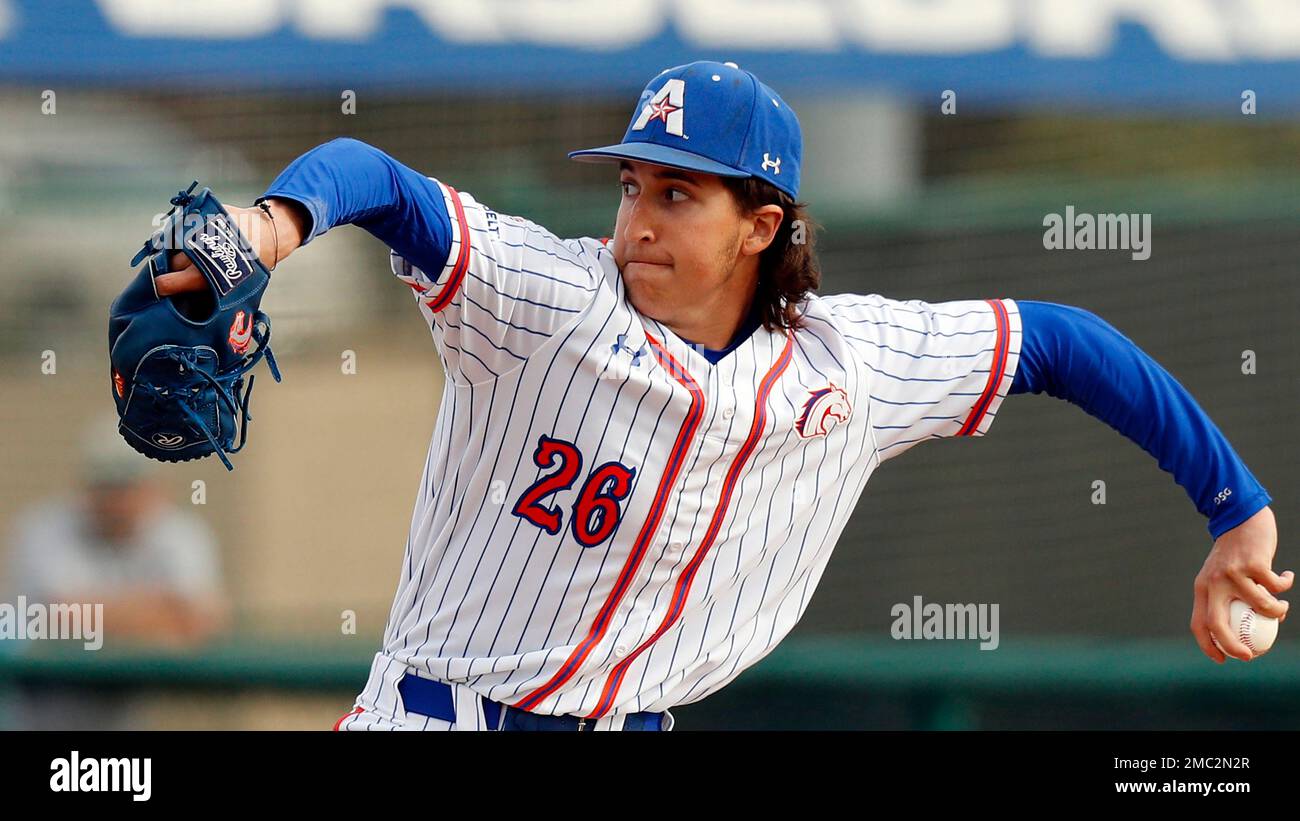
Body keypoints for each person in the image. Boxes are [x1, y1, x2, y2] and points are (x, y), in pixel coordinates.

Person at [153, 60, 1288, 732]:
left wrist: (1233, 504)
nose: (637, 214)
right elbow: (379, 179)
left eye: (678, 192)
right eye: (633, 182)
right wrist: (271, 225)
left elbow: (1064, 340)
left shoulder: (849, 364)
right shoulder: (543, 294)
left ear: (761, 223)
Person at [2, 417, 229, 729]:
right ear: (86, 487)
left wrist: (102, 614)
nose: (117, 499)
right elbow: (63, 616)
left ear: (154, 486)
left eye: (128, 483)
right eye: (107, 484)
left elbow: (199, 621)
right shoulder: (42, 528)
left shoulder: (180, 534)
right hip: (40, 717)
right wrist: (158, 612)